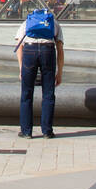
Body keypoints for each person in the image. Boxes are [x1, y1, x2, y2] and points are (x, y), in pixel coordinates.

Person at [15, 8, 64, 139]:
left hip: (29, 50)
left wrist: (21, 68)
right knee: (48, 93)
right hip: (48, 51)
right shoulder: (53, 22)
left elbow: (19, 46)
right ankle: (47, 131)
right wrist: (59, 72)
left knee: (26, 93)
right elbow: (59, 48)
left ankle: (26, 131)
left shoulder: (27, 22)